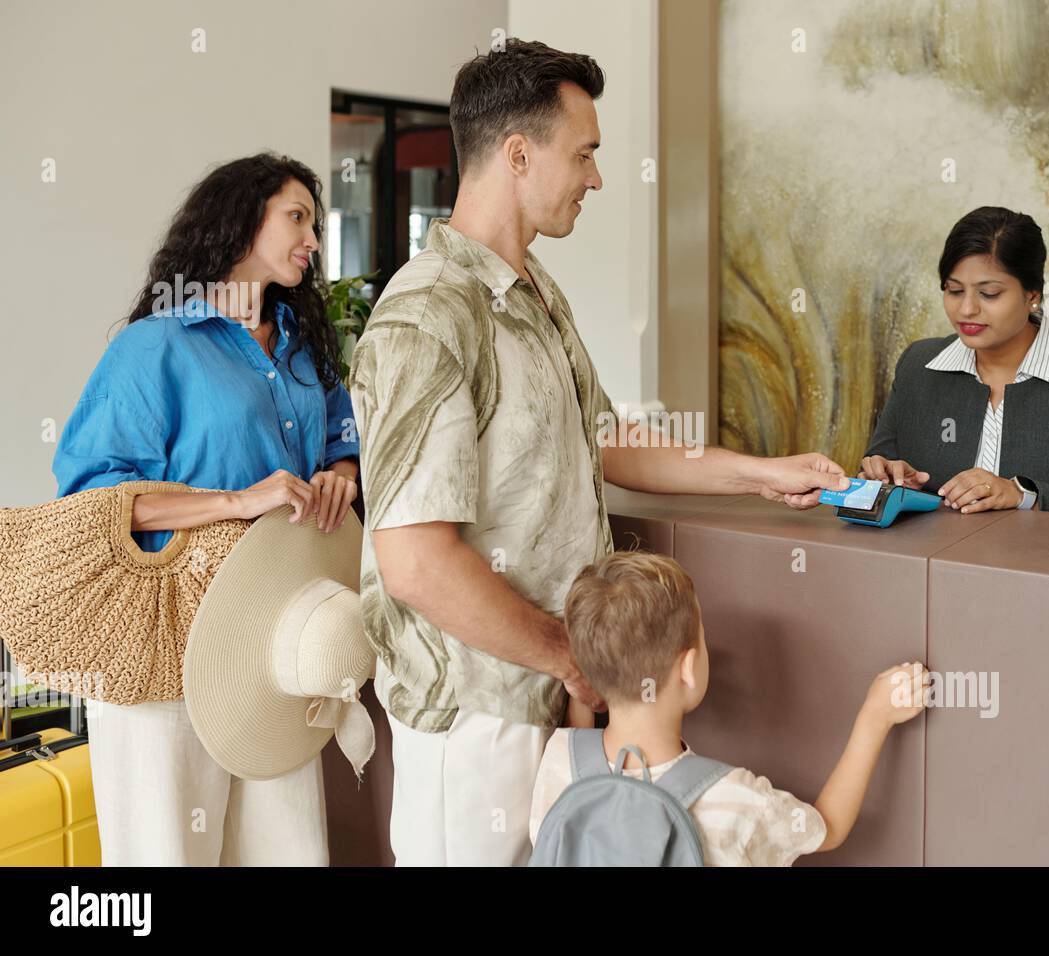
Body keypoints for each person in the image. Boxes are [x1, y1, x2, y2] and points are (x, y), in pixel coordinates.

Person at [348, 39, 849, 867]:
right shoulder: (427, 318)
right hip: (474, 710)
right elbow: (414, 564)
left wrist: (762, 473)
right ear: (518, 154)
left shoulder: (535, 291)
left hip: (546, 695)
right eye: (583, 154)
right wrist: (568, 655)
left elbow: (607, 440)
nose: (596, 176)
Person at [52, 152, 361, 865]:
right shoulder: (154, 346)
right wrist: (234, 502)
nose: (313, 240)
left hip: (275, 637)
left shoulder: (302, 349)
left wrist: (341, 470)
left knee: (289, 851)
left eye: (314, 222)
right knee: (167, 854)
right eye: (297, 218)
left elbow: (342, 428)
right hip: (167, 642)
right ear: (241, 220)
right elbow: (91, 496)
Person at [529, 551, 924, 865]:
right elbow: (829, 827)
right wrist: (875, 715)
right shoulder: (737, 800)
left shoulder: (559, 757)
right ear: (688, 668)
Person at [863, 206, 1049, 521]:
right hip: (927, 566)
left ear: (1033, 295)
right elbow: (874, 476)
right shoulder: (919, 365)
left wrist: (1024, 497)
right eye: (954, 290)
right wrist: (887, 481)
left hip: (1040, 567)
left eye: (989, 294)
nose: (967, 309)